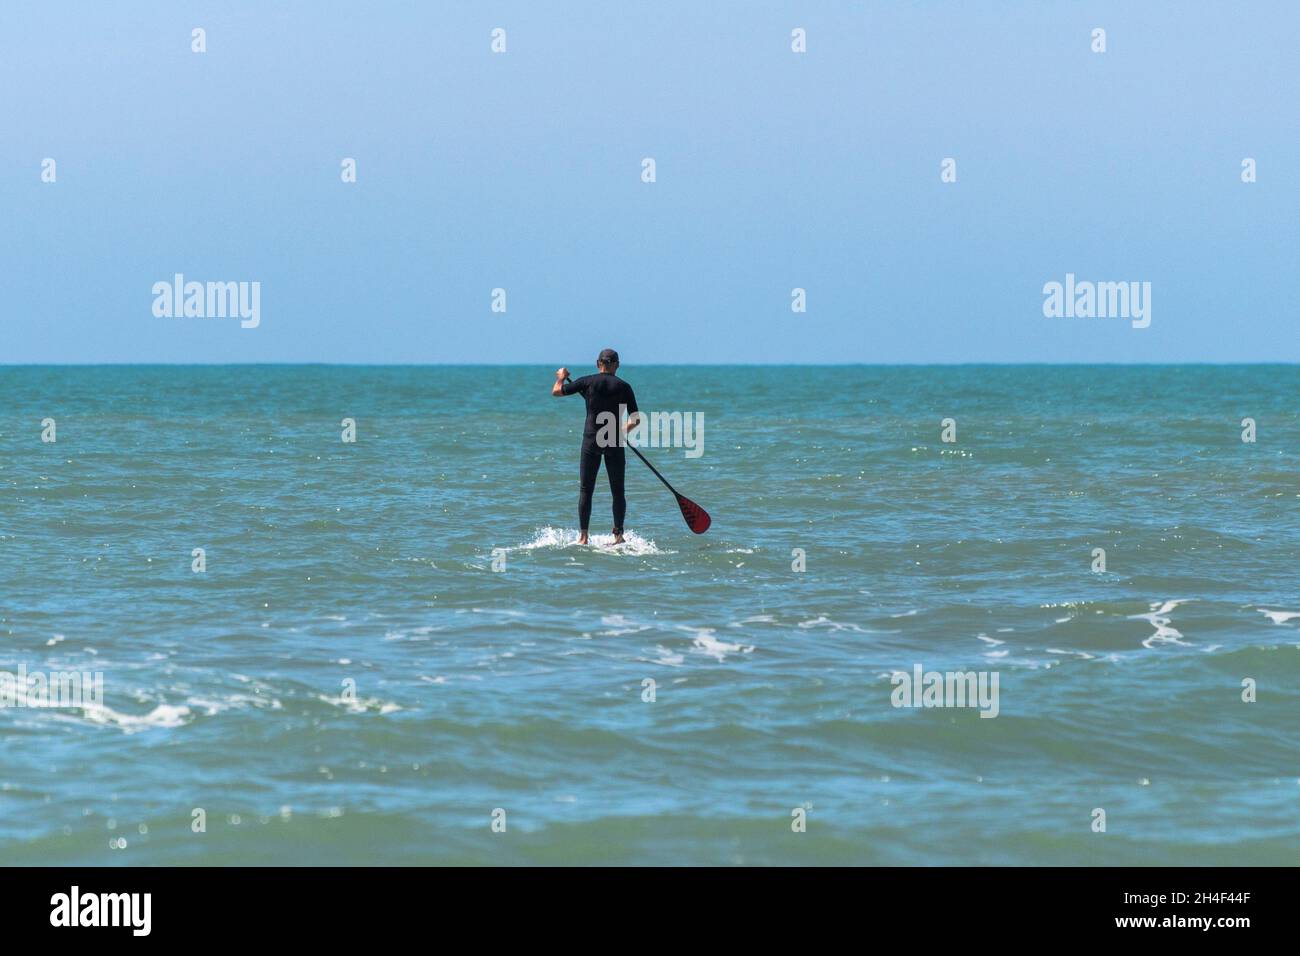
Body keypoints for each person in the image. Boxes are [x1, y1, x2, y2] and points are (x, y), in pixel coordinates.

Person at [552, 348, 641, 545]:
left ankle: (583, 537)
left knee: (586, 490)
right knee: (618, 491)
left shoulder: (587, 382)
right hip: (614, 441)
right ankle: (618, 536)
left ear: (597, 363)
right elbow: (636, 419)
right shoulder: (624, 386)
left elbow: (556, 392)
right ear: (617, 365)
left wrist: (561, 377)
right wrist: (621, 430)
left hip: (591, 440)